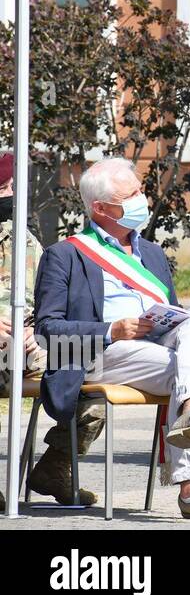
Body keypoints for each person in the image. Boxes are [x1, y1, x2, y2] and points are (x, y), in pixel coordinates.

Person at [34, 157, 190, 519]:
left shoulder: (150, 252)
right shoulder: (65, 255)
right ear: (100, 208)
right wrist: (110, 329)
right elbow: (47, 329)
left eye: (140, 191)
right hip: (98, 354)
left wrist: (175, 319)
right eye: (132, 195)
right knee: (184, 375)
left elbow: (175, 312)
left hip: (154, 347)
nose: (142, 199)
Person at [0, 151, 103, 510]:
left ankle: (56, 466)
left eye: (8, 187)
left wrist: (33, 329)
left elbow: (44, 302)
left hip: (26, 344)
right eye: (1, 188)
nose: (6, 195)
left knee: (90, 367)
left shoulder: (26, 243)